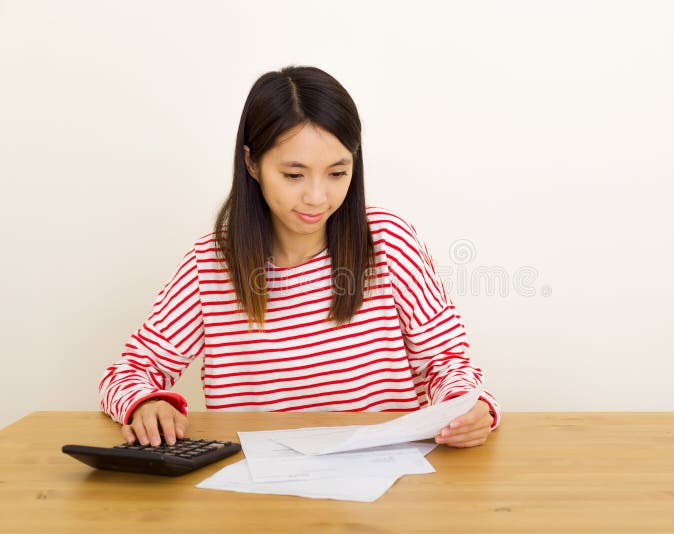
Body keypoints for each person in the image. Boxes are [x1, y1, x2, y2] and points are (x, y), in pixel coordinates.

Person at [99, 65, 500, 449]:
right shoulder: (211, 264)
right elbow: (128, 373)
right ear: (252, 163)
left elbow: (448, 365)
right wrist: (147, 403)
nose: (316, 197)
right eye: (294, 175)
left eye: (337, 173)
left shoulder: (388, 242)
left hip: (381, 492)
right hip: (260, 496)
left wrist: (469, 407)